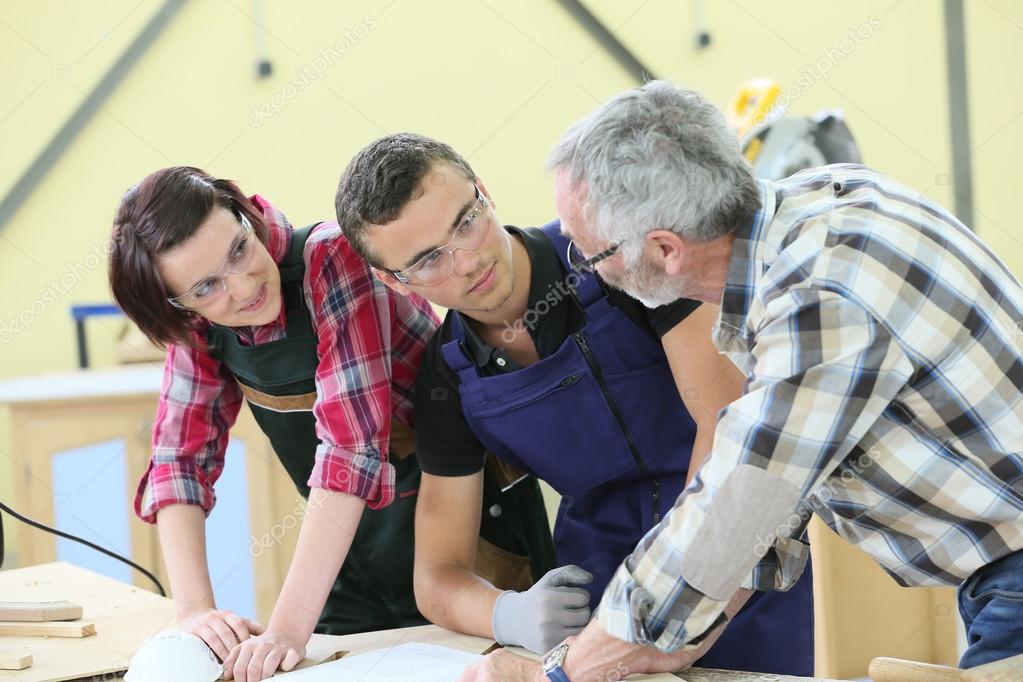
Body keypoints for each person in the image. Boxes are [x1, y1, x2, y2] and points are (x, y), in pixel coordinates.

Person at [461, 80, 1023, 681]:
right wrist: (669, 641)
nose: (581, 268)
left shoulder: (818, 300)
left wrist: (559, 672)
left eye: (591, 257)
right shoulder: (820, 212)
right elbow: (769, 510)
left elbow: (740, 501)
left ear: (665, 249)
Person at [334, 134, 816, 676]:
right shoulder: (448, 378)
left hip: (734, 552)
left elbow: (728, 426)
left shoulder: (616, 258)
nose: (466, 262)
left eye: (465, 222)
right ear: (391, 281)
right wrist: (507, 614)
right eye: (428, 261)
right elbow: (437, 575)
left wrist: (679, 600)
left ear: (483, 192)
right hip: (598, 588)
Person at [107, 167, 553, 682]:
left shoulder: (331, 259)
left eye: (238, 250)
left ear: (244, 215)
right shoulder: (197, 320)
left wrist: (285, 630)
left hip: (467, 525)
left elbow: (350, 450)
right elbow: (179, 462)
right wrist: (194, 616)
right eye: (206, 287)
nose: (243, 284)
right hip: (347, 549)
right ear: (177, 305)